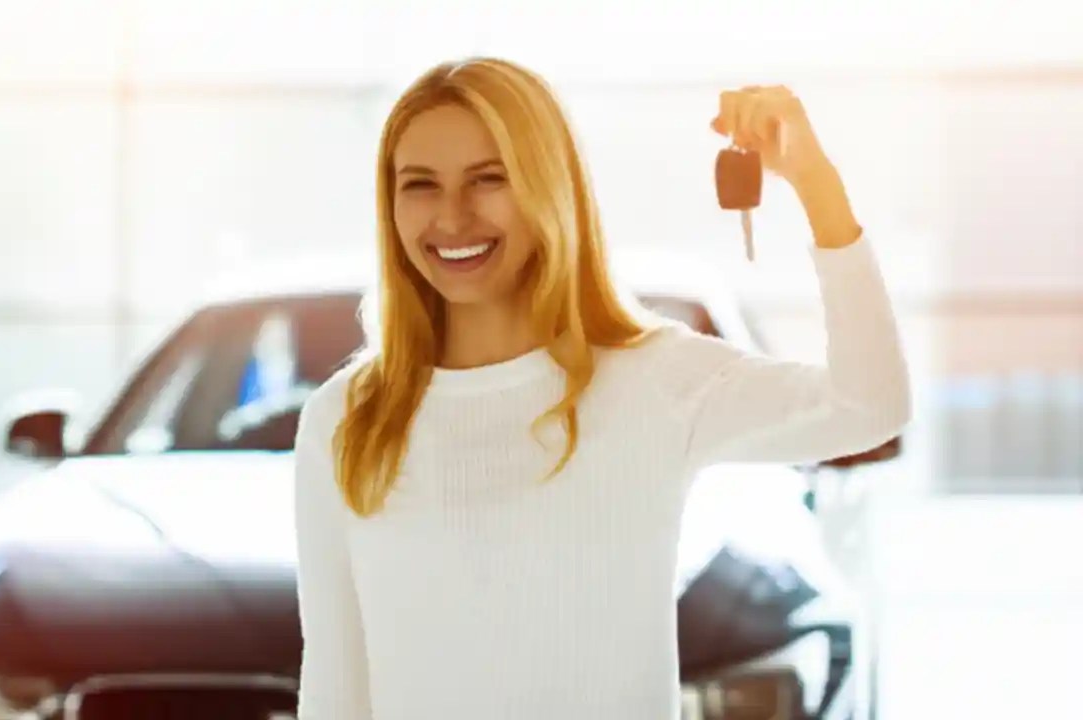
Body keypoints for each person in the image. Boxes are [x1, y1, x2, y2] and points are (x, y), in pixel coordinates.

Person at [291, 56, 910, 719]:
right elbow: (335, 685)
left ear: (548, 188)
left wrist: (815, 184)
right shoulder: (344, 420)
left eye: (489, 178)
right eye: (420, 185)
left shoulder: (653, 381)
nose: (453, 216)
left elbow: (870, 405)